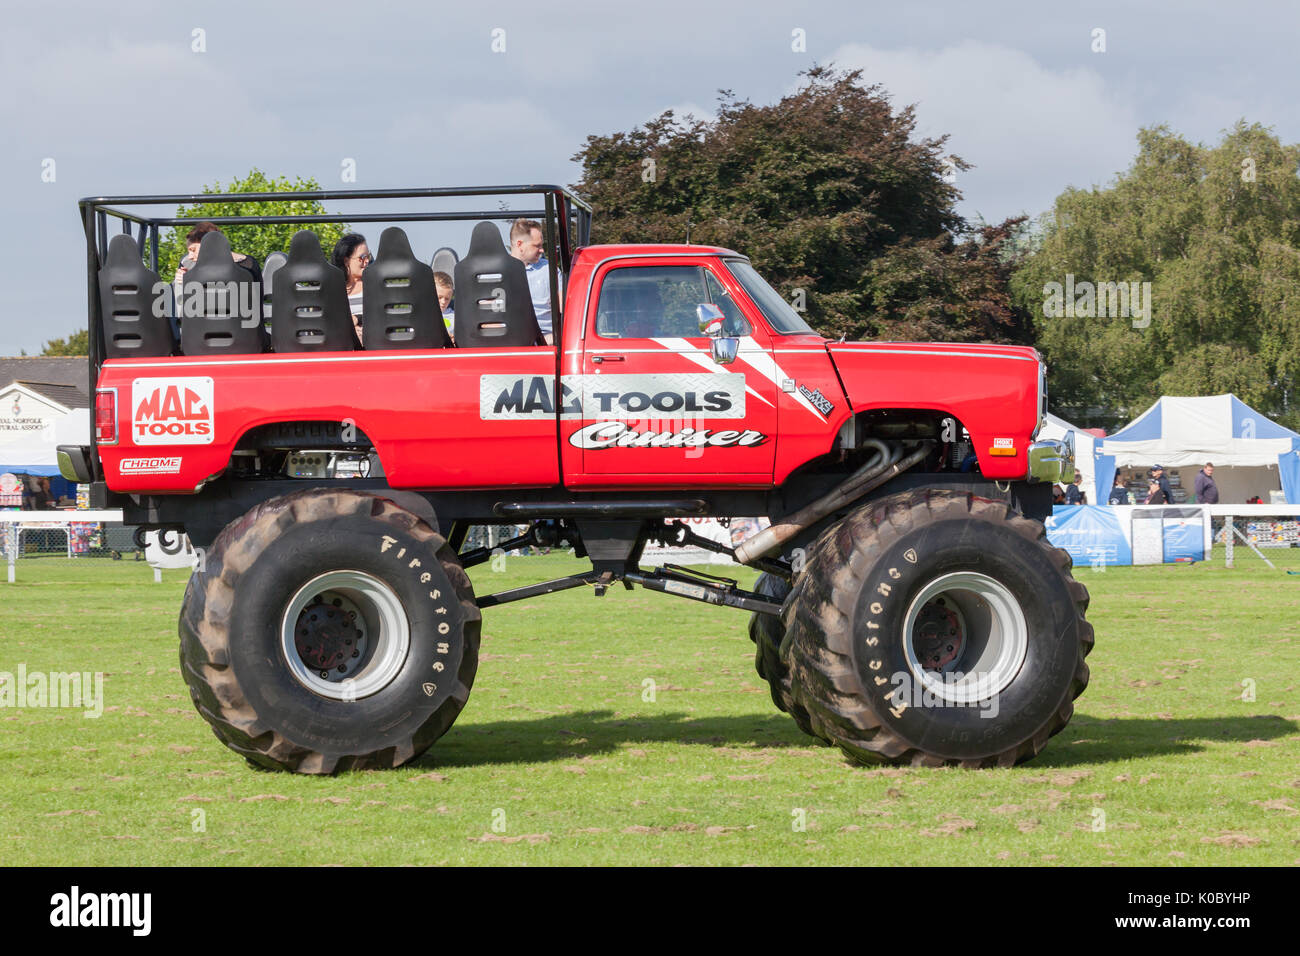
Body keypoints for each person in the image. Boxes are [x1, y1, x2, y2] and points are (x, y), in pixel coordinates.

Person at [508, 218, 559, 344]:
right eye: (537, 246)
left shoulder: (549, 270)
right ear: (520, 244)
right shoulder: (498, 272)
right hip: (511, 340)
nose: (542, 250)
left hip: (547, 340)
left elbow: (564, 310)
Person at [173, 221, 262, 294]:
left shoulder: (249, 265)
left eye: (193, 250)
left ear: (210, 244)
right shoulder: (187, 265)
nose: (190, 257)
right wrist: (181, 283)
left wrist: (191, 279)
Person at [331, 234, 370, 344]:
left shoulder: (373, 286)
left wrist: (358, 319)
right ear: (346, 261)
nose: (367, 261)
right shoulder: (333, 290)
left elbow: (382, 315)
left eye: (368, 256)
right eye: (362, 258)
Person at [434, 271, 455, 342]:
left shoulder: (455, 317)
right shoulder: (421, 316)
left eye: (447, 299)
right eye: (439, 297)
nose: (443, 302)